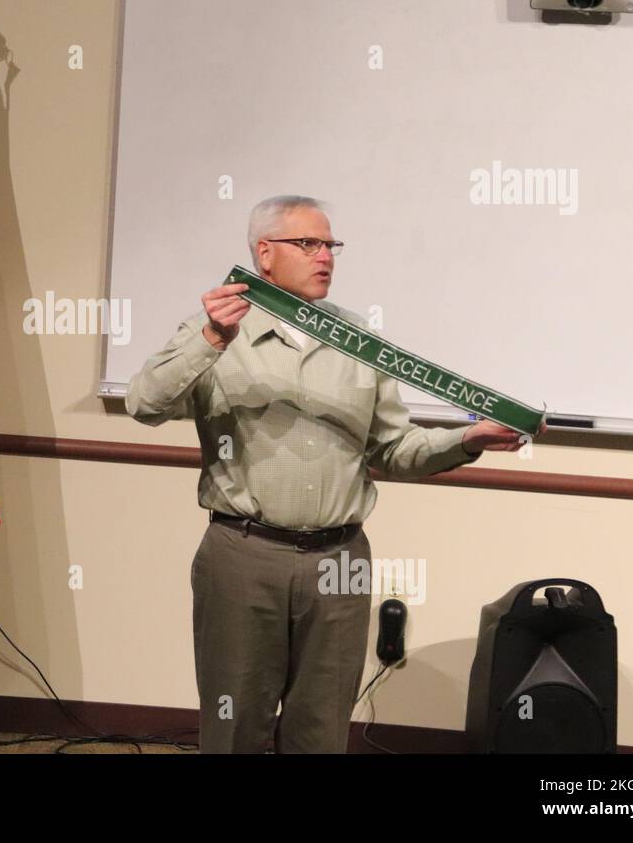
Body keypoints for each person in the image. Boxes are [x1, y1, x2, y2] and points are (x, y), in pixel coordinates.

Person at [127, 195, 537, 754]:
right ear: (263, 255)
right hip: (244, 555)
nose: (326, 256)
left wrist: (466, 440)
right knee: (233, 724)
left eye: (330, 244)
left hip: (339, 562)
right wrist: (210, 341)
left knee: (321, 730)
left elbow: (394, 448)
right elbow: (145, 404)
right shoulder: (217, 332)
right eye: (308, 243)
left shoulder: (359, 343)